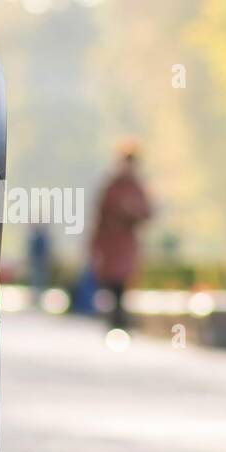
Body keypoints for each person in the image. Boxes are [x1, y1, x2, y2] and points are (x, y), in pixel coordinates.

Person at [90, 141, 153, 330]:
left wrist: (130, 211)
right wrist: (94, 245)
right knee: (111, 282)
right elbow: (100, 215)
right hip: (111, 244)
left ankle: (120, 320)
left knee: (122, 282)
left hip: (125, 245)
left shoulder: (136, 187)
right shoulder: (112, 186)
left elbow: (147, 213)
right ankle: (114, 319)